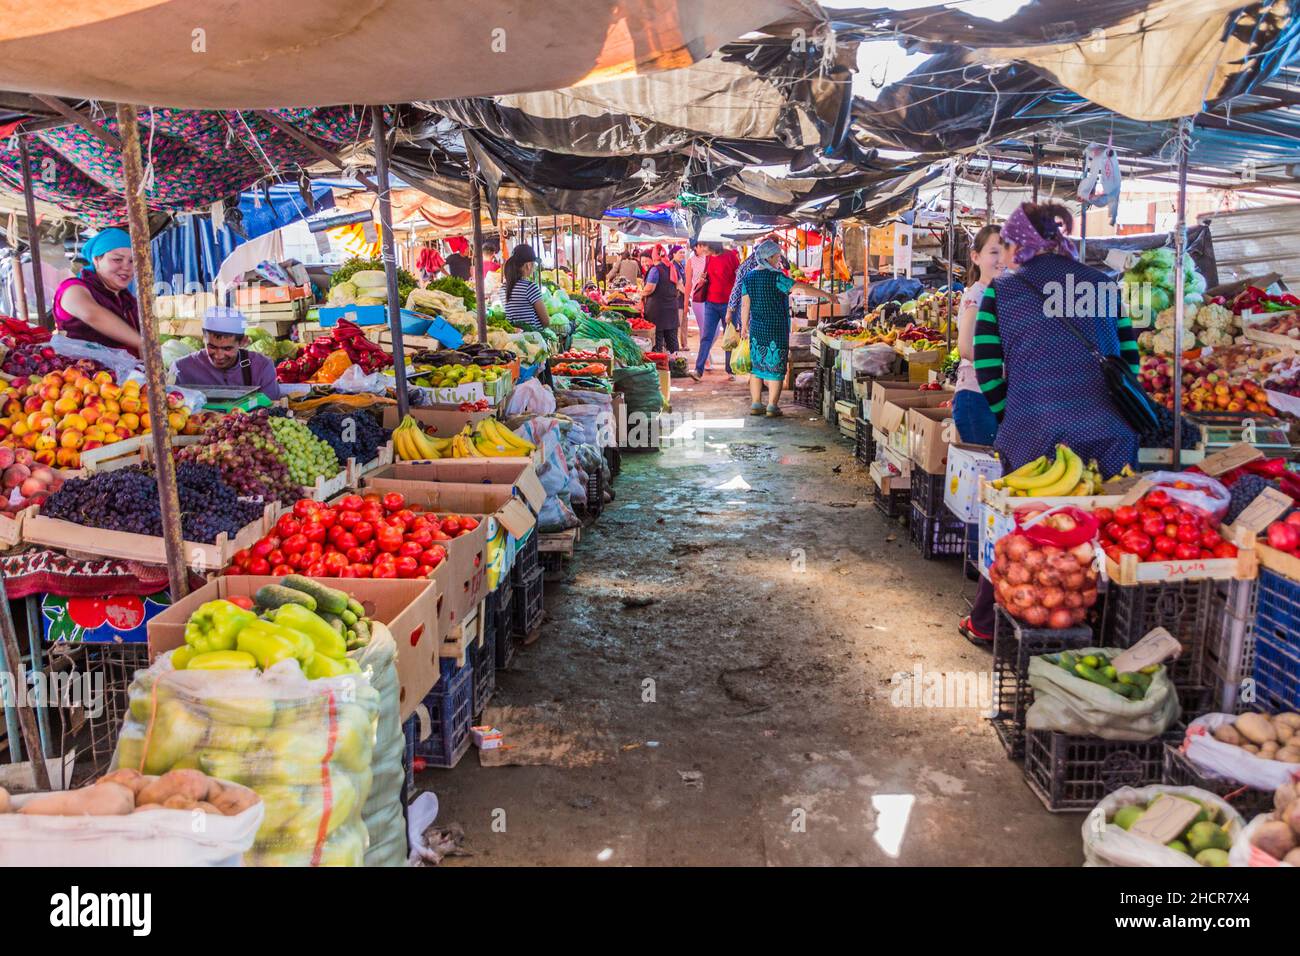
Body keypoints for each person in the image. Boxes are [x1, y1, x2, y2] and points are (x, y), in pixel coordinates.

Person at [960, 202, 1141, 646]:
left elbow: (985, 362)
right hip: (1110, 433)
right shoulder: (1102, 285)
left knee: (1026, 536)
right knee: (1104, 535)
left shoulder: (1003, 291)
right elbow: (1130, 359)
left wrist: (1010, 415)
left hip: (1034, 430)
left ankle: (994, 624)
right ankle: (1101, 632)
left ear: (1021, 241)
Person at [738, 238, 831, 416]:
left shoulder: (748, 278)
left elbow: (745, 305)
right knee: (777, 366)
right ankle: (772, 406)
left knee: (757, 367)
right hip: (776, 328)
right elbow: (800, 288)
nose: (778, 260)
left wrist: (744, 326)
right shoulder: (777, 278)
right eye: (776, 257)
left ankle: (756, 404)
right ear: (768, 258)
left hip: (757, 328)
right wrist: (826, 295)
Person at [52, 227, 143, 357]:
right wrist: (142, 343)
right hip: (85, 374)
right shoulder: (73, 289)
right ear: (96, 260)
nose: (127, 267)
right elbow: (92, 314)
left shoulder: (127, 299)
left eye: (132, 261)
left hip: (132, 375)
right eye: (117, 259)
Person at [952, 225, 1004, 446]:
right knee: (985, 473)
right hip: (976, 396)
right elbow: (965, 347)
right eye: (994, 252)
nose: (1001, 259)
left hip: (993, 395)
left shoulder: (1002, 295)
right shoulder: (977, 294)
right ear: (976, 257)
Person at [174, 306, 282, 399]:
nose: (218, 356)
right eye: (212, 347)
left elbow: (272, 410)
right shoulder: (182, 369)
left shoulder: (262, 367)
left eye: (227, 349)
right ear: (203, 338)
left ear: (243, 342)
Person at [690, 242, 740, 380]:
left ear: (713, 245)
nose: (703, 249)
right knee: (706, 337)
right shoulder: (709, 258)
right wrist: (702, 279)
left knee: (729, 337)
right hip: (711, 303)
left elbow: (739, 279)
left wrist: (734, 303)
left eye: (704, 246)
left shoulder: (731, 256)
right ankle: (698, 370)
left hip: (729, 305)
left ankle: (730, 370)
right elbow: (709, 276)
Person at [497, 243, 550, 331]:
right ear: (528, 265)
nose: (534, 268)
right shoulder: (530, 287)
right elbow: (546, 321)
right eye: (534, 264)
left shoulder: (503, 288)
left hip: (514, 337)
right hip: (532, 338)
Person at [641, 244, 682, 353]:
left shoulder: (655, 270)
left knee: (658, 340)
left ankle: (660, 366)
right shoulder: (672, 267)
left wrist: (640, 293)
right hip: (672, 309)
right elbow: (679, 286)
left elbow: (650, 289)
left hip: (657, 311)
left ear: (654, 256)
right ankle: (676, 365)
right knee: (672, 340)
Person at [683, 240, 710, 365]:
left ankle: (706, 355)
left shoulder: (710, 258)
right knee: (703, 329)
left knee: (711, 329)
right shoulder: (690, 261)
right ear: (695, 247)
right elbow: (688, 283)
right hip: (698, 297)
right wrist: (685, 303)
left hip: (710, 297)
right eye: (701, 245)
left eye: (705, 245)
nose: (704, 247)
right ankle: (706, 359)